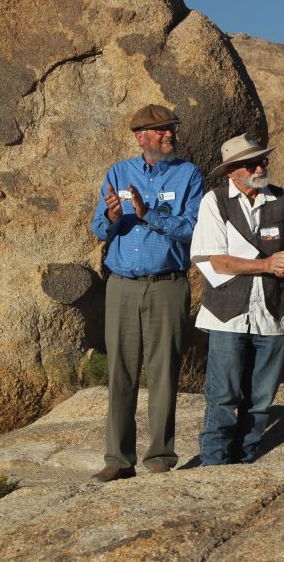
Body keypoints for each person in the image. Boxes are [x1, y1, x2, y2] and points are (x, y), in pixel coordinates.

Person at [90, 104, 204, 482]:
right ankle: (118, 459)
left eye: (171, 128)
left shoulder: (188, 175)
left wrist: (148, 214)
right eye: (160, 130)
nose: (169, 134)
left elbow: (193, 228)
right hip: (122, 285)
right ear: (141, 137)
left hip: (167, 285)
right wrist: (111, 217)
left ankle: (160, 455)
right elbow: (99, 229)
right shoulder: (118, 172)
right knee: (120, 371)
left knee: (163, 372)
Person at [191, 134, 284, 465]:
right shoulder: (214, 201)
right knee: (223, 396)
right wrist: (267, 265)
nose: (259, 168)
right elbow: (215, 261)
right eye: (250, 165)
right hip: (227, 313)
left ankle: (246, 461)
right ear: (231, 172)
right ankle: (214, 463)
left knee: (261, 398)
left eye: (262, 161)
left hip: (271, 310)